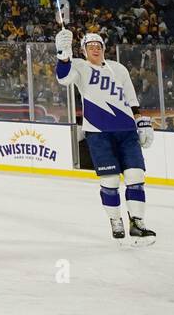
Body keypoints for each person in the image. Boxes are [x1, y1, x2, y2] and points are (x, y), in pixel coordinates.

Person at [55, 29, 155, 243]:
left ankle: (137, 223)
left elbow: (131, 98)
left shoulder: (119, 69)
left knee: (136, 176)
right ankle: (116, 220)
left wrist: (141, 122)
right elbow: (63, 78)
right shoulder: (80, 67)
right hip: (98, 133)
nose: (95, 49)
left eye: (98, 46)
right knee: (110, 180)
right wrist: (63, 54)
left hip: (126, 131)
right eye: (90, 46)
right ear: (83, 51)